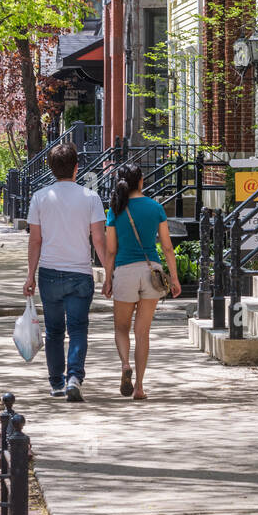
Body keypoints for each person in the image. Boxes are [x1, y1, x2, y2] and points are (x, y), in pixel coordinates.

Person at [24, 141, 106, 402]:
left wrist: (30, 275)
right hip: (80, 273)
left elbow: (35, 240)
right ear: (76, 168)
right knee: (79, 328)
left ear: (50, 168)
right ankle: (74, 377)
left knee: (55, 330)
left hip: (49, 272)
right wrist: (109, 272)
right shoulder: (90, 198)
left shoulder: (39, 198)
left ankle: (57, 382)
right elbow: (98, 240)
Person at [102, 163, 181, 400]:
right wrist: (174, 278)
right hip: (151, 272)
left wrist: (107, 278)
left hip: (125, 271)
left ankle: (125, 364)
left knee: (121, 328)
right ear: (141, 181)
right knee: (142, 333)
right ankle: (139, 387)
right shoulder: (156, 207)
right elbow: (167, 246)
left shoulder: (115, 209)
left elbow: (111, 250)